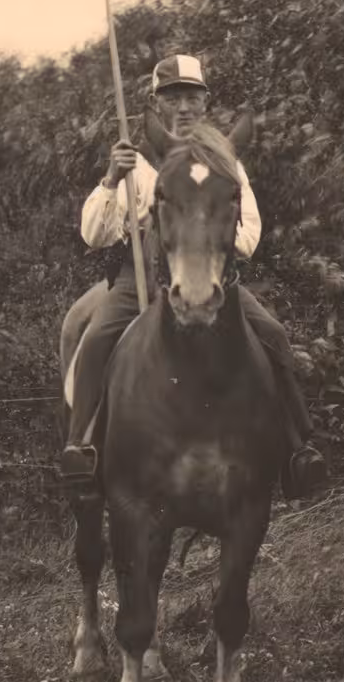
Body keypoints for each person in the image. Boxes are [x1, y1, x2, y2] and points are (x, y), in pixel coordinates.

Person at [59, 53, 327, 498]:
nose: (184, 108)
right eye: (173, 98)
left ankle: (299, 450)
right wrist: (111, 179)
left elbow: (251, 234)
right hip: (139, 278)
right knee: (96, 340)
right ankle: (81, 445)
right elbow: (93, 234)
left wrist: (207, 232)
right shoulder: (137, 160)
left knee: (273, 334)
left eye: (192, 97)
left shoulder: (224, 160)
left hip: (213, 276)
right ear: (155, 104)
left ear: (205, 103)